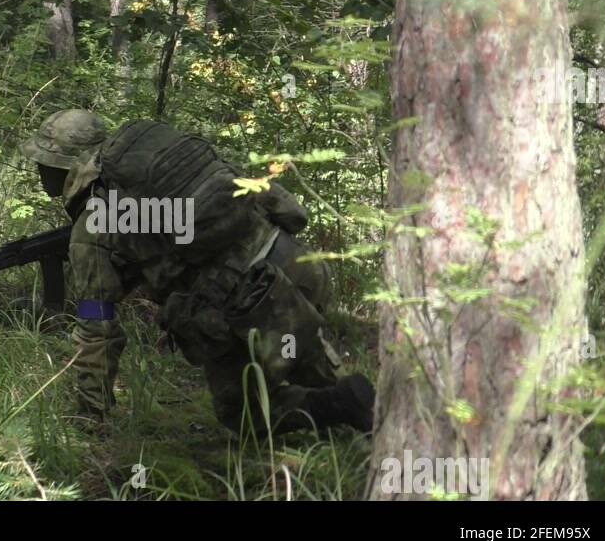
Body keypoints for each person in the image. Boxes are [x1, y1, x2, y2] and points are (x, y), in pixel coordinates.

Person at [20, 109, 374, 436]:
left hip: (251, 303)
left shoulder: (94, 221)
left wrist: (89, 415)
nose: (40, 173)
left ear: (64, 165)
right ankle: (367, 423)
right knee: (327, 377)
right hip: (296, 266)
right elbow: (275, 202)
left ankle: (341, 413)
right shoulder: (160, 160)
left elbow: (96, 326)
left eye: (44, 164)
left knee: (242, 414)